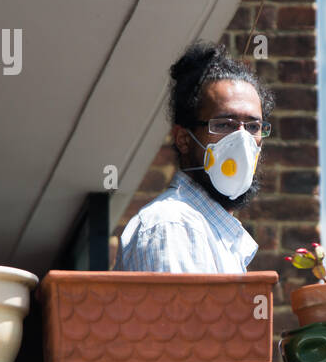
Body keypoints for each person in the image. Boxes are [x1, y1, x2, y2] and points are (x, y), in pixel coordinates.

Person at [114, 40, 274, 272]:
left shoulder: (214, 233)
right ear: (184, 139)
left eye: (252, 127)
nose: (242, 140)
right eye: (224, 124)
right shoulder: (175, 226)